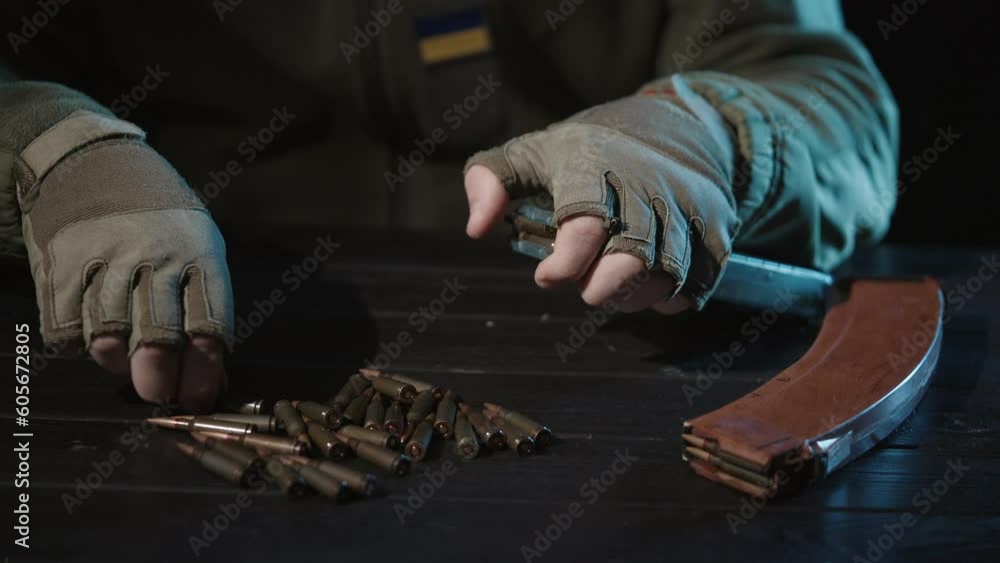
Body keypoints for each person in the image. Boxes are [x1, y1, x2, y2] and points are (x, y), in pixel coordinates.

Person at [0, 1, 898, 411]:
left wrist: (697, 131)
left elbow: (826, 91)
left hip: (604, 349)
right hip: (197, 342)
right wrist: (53, 149)